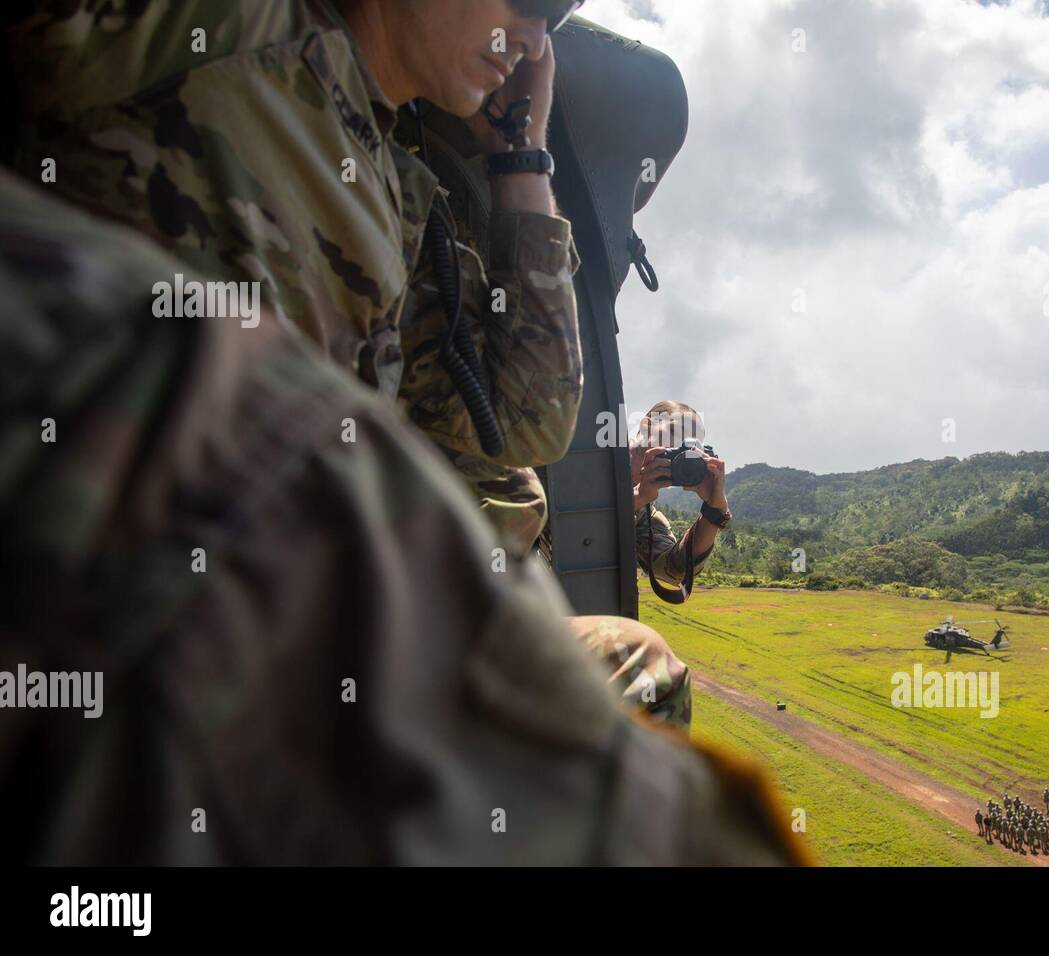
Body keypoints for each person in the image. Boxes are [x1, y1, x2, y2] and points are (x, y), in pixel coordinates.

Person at [0, 168, 806, 866]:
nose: (668, 457)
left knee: (641, 670)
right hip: (450, 609)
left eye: (679, 450)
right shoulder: (551, 440)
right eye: (662, 445)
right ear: (635, 436)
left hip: (513, 628)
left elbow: (671, 581)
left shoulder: (634, 504)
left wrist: (714, 509)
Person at [7, 0, 583, 557]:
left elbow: (527, 420)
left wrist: (521, 153)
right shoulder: (223, 25)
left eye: (556, 18)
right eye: (532, 0)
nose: (534, 40)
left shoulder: (399, 201)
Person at [631, 402, 730, 599]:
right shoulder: (591, 455)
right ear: (646, 426)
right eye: (675, 432)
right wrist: (637, 498)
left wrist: (713, 511)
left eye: (692, 445)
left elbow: (675, 570)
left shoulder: (645, 509)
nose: (681, 449)